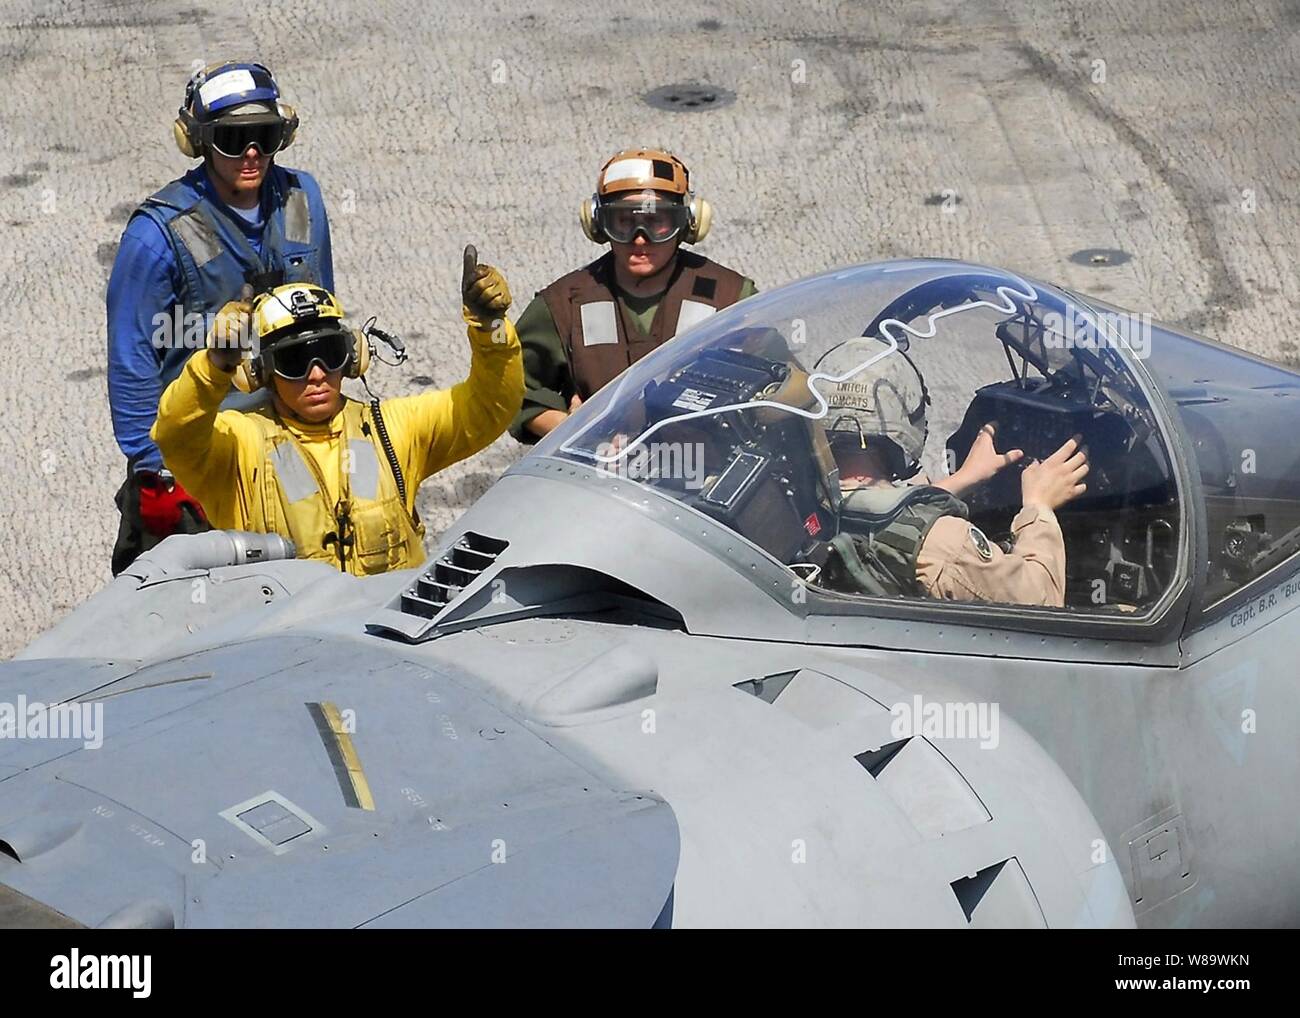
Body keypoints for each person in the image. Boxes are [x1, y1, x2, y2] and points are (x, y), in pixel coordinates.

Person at [150, 249, 522, 576]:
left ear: (352, 358)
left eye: (329, 354)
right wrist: (214, 365)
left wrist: (491, 329)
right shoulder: (239, 445)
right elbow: (176, 434)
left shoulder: (392, 429)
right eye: (294, 360)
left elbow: (489, 406)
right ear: (259, 372)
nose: (315, 373)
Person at [106, 60, 334, 574]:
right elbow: (131, 357)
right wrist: (154, 469)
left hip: (288, 446)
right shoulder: (156, 235)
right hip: (201, 459)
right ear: (201, 142)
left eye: (264, 135)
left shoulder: (303, 199)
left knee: (304, 589)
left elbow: (324, 311)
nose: (252, 152)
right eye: (233, 139)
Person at [815, 338, 1089, 607]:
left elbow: (873, 509)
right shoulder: (945, 545)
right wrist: (1038, 507)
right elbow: (1040, 602)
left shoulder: (798, 502)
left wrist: (962, 478)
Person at [509, 148, 757, 443]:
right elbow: (514, 390)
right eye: (624, 222)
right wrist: (575, 431)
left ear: (689, 221)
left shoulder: (730, 297)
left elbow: (782, 390)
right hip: (600, 475)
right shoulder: (564, 304)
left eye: (657, 222)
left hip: (709, 477)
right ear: (598, 223)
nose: (640, 238)